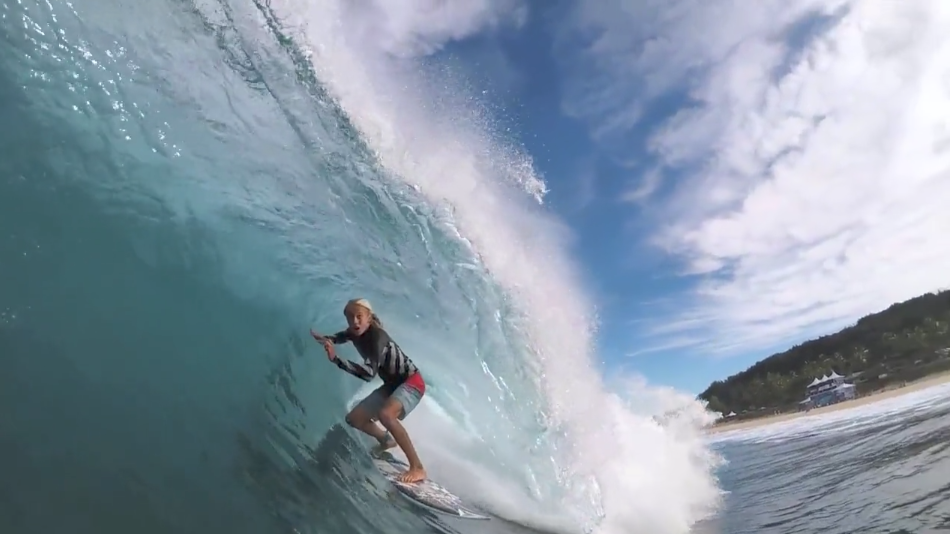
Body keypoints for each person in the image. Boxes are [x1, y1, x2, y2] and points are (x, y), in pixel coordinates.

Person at [310, 298, 428, 483]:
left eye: (359, 317)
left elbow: (368, 373)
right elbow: (342, 336)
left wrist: (336, 360)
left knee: (386, 415)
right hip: (392, 384)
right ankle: (386, 440)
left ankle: (417, 468)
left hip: (411, 382)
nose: (354, 321)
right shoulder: (355, 332)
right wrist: (327, 339)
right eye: (350, 318)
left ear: (369, 318)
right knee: (355, 419)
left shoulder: (377, 338)